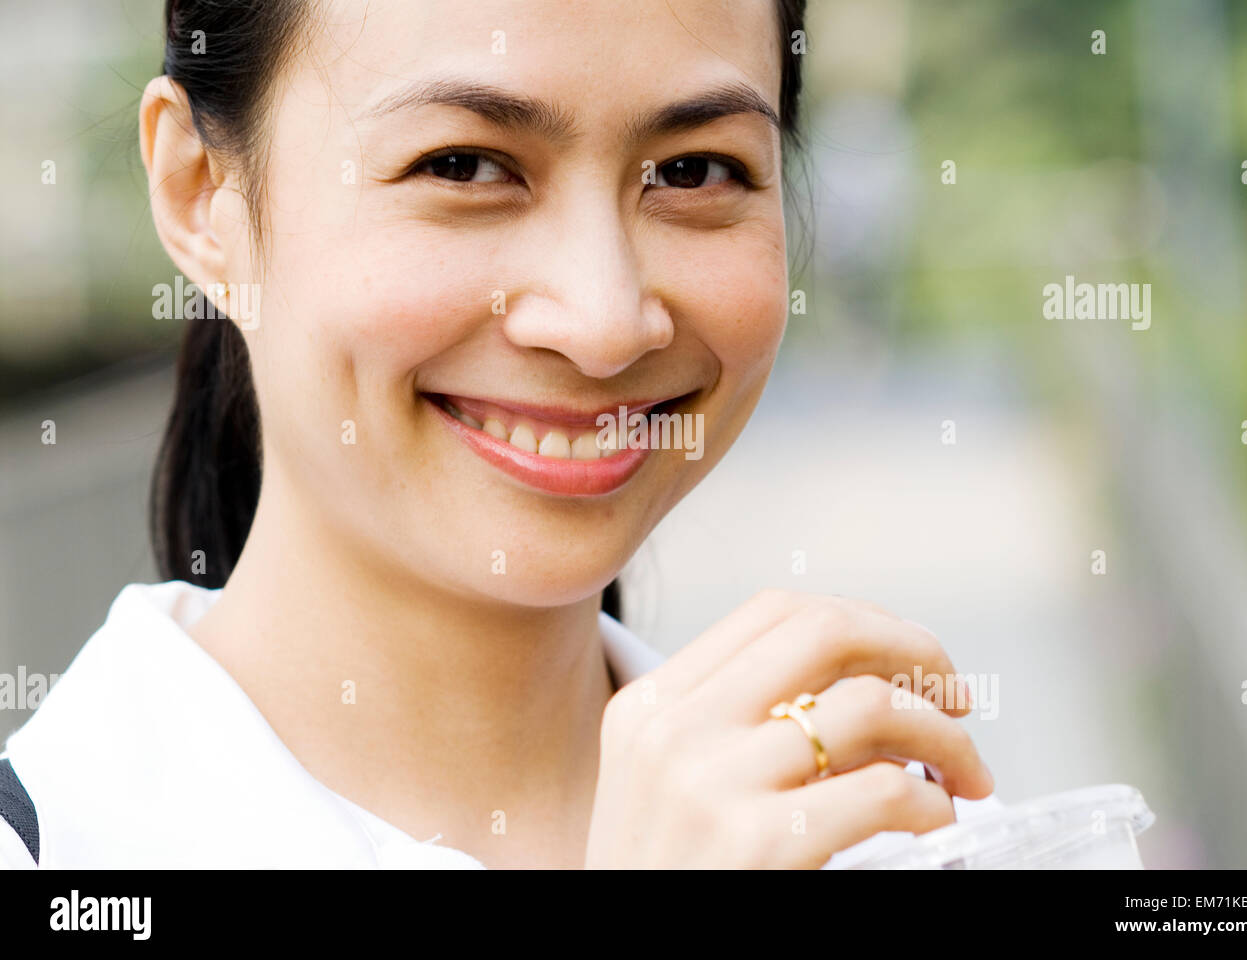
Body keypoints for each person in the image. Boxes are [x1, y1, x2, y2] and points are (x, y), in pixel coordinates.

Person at [0, 0, 997, 869]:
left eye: (693, 169)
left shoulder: (887, 836)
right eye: (464, 164)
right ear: (199, 194)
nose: (604, 322)